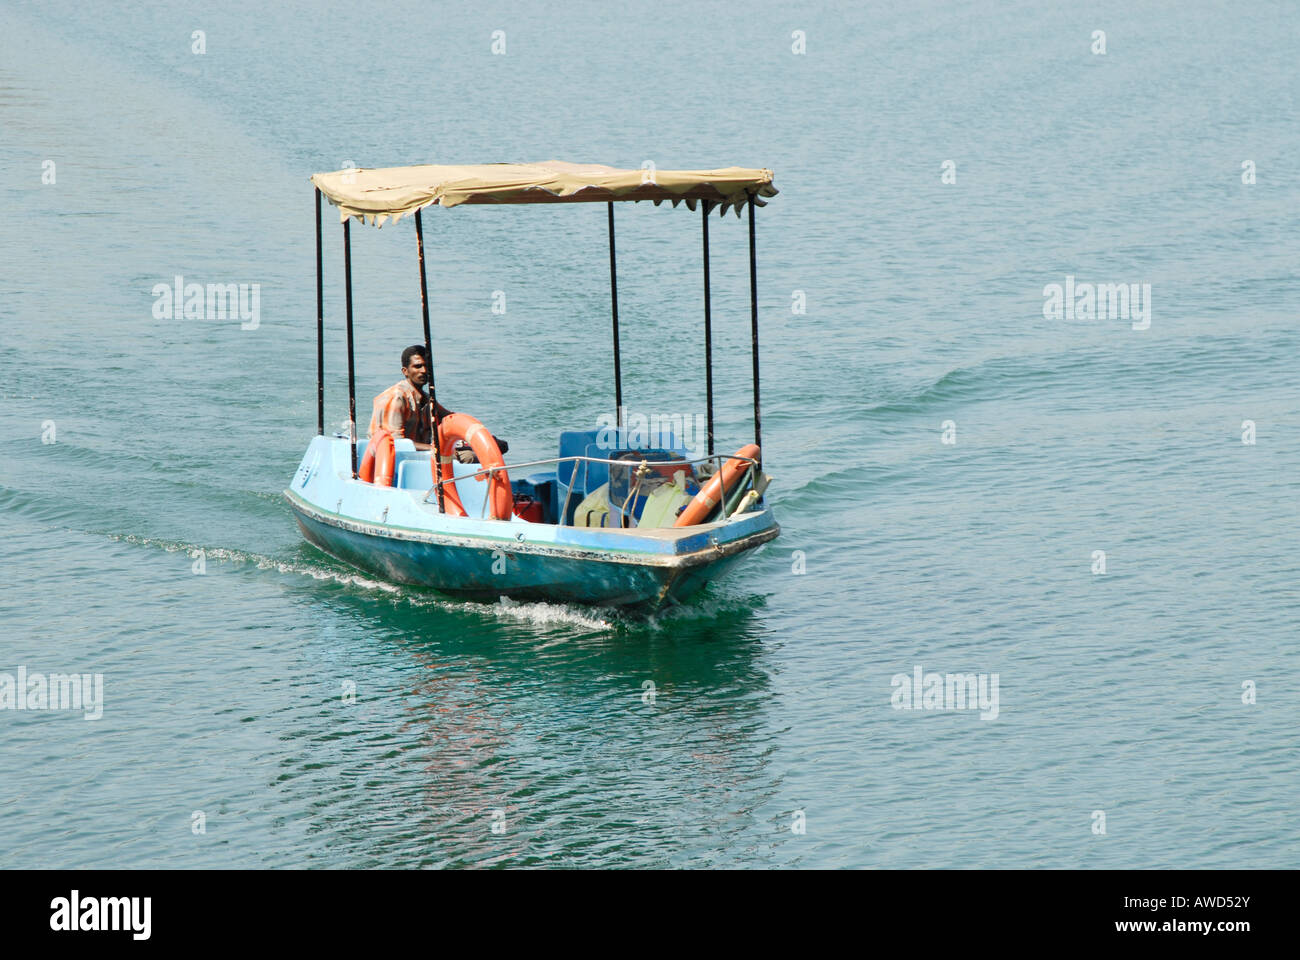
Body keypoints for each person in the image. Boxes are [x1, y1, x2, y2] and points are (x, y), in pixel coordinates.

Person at [368, 345, 506, 462]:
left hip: (420, 453)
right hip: (394, 459)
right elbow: (396, 443)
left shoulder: (426, 399)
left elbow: (451, 419)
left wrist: (485, 439)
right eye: (418, 366)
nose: (424, 371)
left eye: (427, 366)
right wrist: (436, 449)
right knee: (469, 457)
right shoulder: (397, 398)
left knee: (493, 449)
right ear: (405, 371)